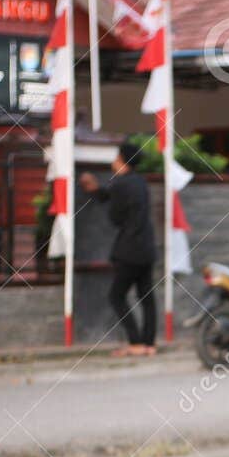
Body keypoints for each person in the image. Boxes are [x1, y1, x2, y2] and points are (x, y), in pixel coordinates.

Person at [79, 141, 158, 356]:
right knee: (146, 297)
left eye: (116, 157)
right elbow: (108, 194)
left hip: (129, 250)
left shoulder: (121, 183)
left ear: (122, 160)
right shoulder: (140, 182)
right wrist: (96, 189)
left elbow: (115, 217)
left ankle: (135, 342)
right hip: (147, 248)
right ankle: (149, 344)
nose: (113, 161)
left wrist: (96, 191)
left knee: (116, 296)